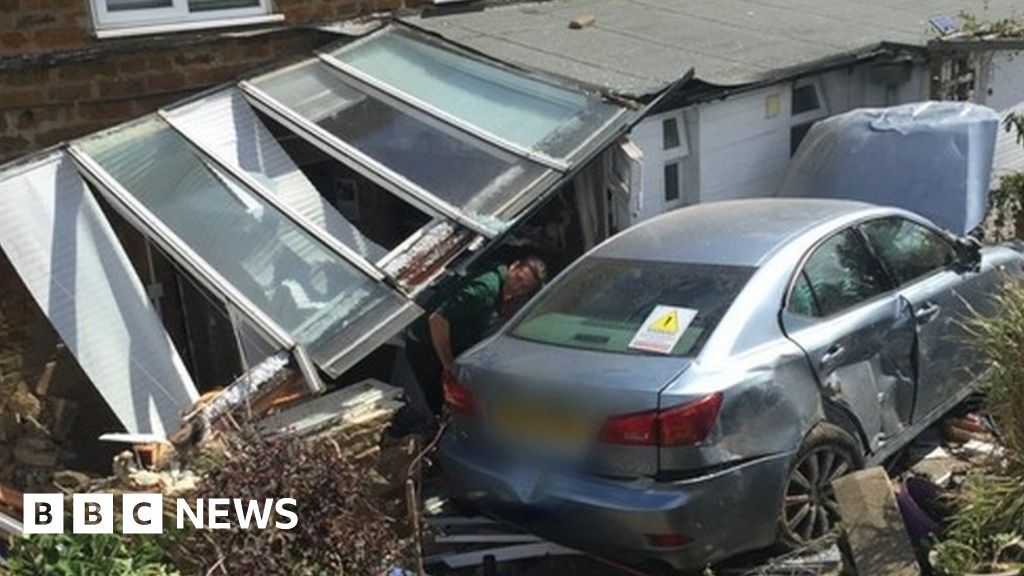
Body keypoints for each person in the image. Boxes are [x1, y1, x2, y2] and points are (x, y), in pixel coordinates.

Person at [403, 256, 548, 421]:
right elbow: (437, 319)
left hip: (456, 343)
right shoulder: (485, 289)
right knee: (445, 405)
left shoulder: (502, 289)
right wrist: (449, 365)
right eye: (518, 279)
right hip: (427, 346)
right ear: (513, 266)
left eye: (524, 288)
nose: (517, 288)